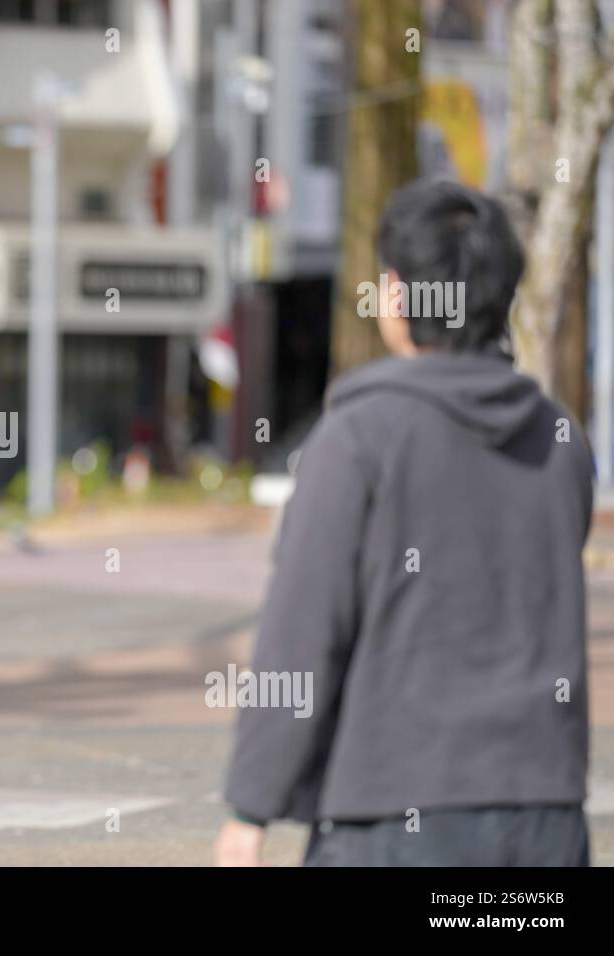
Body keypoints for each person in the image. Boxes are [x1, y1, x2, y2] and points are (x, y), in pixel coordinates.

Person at [215, 179, 593, 866]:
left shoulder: (358, 439)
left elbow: (303, 633)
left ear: (397, 295)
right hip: (546, 817)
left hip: (391, 818)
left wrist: (251, 806)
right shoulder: (560, 441)